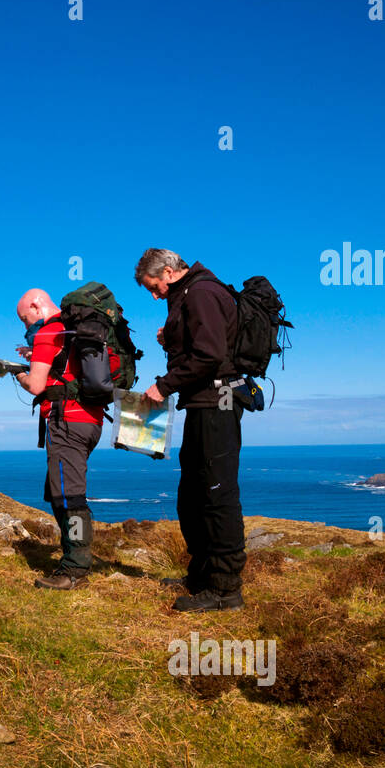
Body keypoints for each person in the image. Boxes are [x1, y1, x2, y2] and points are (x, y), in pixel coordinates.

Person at [135, 249, 247, 611]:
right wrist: (171, 340)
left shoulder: (201, 292)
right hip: (202, 404)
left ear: (169, 271)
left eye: (155, 287)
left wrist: (163, 386)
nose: (155, 296)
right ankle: (201, 575)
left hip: (218, 402)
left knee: (217, 494)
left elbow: (211, 355)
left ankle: (226, 590)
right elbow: (202, 347)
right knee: (194, 493)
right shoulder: (189, 294)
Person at [14, 288, 115, 590]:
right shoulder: (72, 330)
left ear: (36, 305)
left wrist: (18, 373)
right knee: (60, 491)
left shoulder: (49, 332)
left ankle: (74, 569)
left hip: (66, 422)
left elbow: (35, 385)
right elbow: (66, 368)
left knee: (68, 497)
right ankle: (74, 560)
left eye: (24, 318)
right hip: (90, 421)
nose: (25, 325)